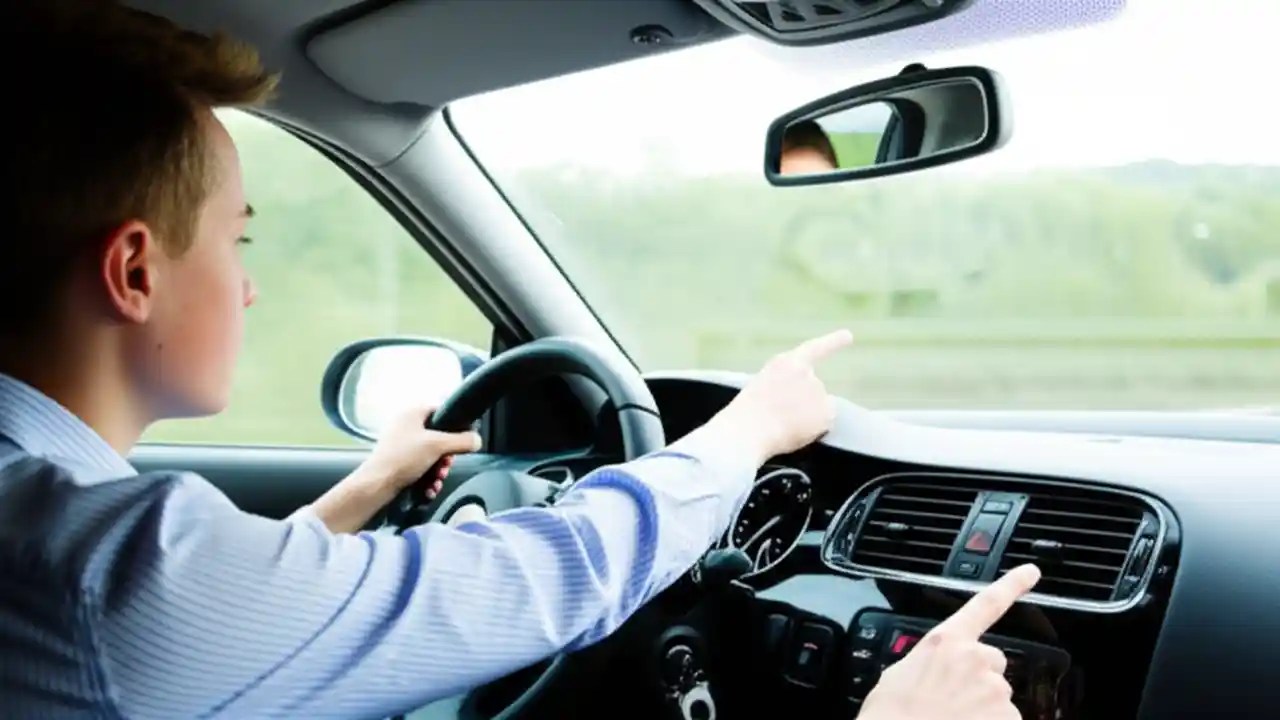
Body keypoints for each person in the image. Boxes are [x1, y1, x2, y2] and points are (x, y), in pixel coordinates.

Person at [0, 2, 1039, 718]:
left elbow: (226, 619)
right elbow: (564, 570)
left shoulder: (61, 538)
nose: (249, 287)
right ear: (134, 271)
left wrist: (363, 492)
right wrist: (750, 432)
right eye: (238, 242)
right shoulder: (109, 571)